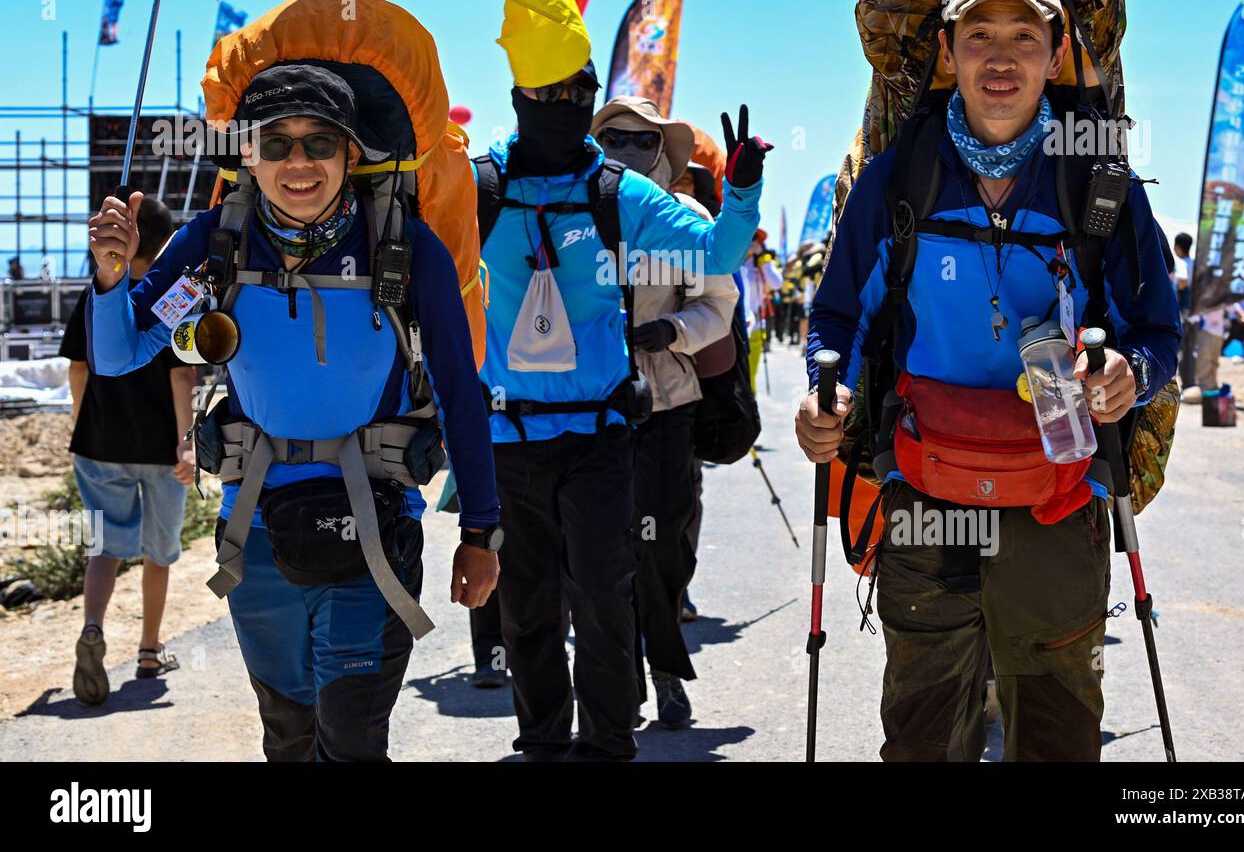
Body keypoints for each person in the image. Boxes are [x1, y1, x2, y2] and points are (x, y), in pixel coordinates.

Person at [797, 0, 1180, 761]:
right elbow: (836, 318)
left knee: (1056, 740)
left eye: (1024, 36)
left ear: (1057, 49)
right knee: (925, 738)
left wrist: (1126, 378)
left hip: (1060, 496)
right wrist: (821, 394)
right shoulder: (898, 178)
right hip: (926, 494)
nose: (1000, 58)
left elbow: (1156, 332)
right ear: (948, 52)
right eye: (979, 35)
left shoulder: (1097, 181)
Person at [85, 64, 500, 760]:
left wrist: (483, 531)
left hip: (376, 528)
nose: (297, 163)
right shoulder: (216, 242)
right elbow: (119, 355)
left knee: (352, 742)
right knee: (289, 742)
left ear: (351, 151)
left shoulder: (402, 246)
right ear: (249, 154)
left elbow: (462, 390)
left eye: (319, 143)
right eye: (275, 144)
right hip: (256, 539)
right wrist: (107, 276)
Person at [474, 62, 768, 760]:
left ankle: (608, 745)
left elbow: (719, 254)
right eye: (548, 94)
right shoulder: (479, 185)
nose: (563, 106)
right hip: (506, 434)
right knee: (527, 607)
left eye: (579, 94)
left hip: (603, 436)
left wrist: (745, 190)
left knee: (605, 599)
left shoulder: (620, 194)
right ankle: (544, 744)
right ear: (518, 98)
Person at [592, 95, 740, 728]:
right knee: (599, 552)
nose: (625, 153)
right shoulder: (567, 213)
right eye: (613, 140)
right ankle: (618, 679)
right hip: (588, 407)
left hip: (667, 404)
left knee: (661, 546)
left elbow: (719, 305)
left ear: (659, 152)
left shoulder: (685, 217)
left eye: (638, 142)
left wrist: (673, 332)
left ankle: (665, 668)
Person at [60, 196, 196, 705]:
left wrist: (80, 421)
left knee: (105, 546)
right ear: (165, 244)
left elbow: (78, 367)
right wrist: (187, 444)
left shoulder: (100, 291)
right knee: (158, 552)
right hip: (161, 447)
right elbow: (183, 373)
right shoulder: (172, 298)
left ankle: (93, 628)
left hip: (99, 444)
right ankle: (148, 649)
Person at [740, 232, 782, 389]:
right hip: (732, 326)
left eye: (753, 238)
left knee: (749, 377)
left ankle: (750, 411)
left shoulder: (761, 264)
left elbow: (777, 283)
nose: (749, 242)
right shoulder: (731, 259)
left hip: (755, 328)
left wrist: (764, 260)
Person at [1172, 232, 1196, 388]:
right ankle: (1189, 382)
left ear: (1178, 247)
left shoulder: (1180, 263)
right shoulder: (1195, 262)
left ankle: (1173, 382)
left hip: (1182, 311)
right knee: (1190, 348)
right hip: (1195, 311)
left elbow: (1182, 281)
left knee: (1178, 347)